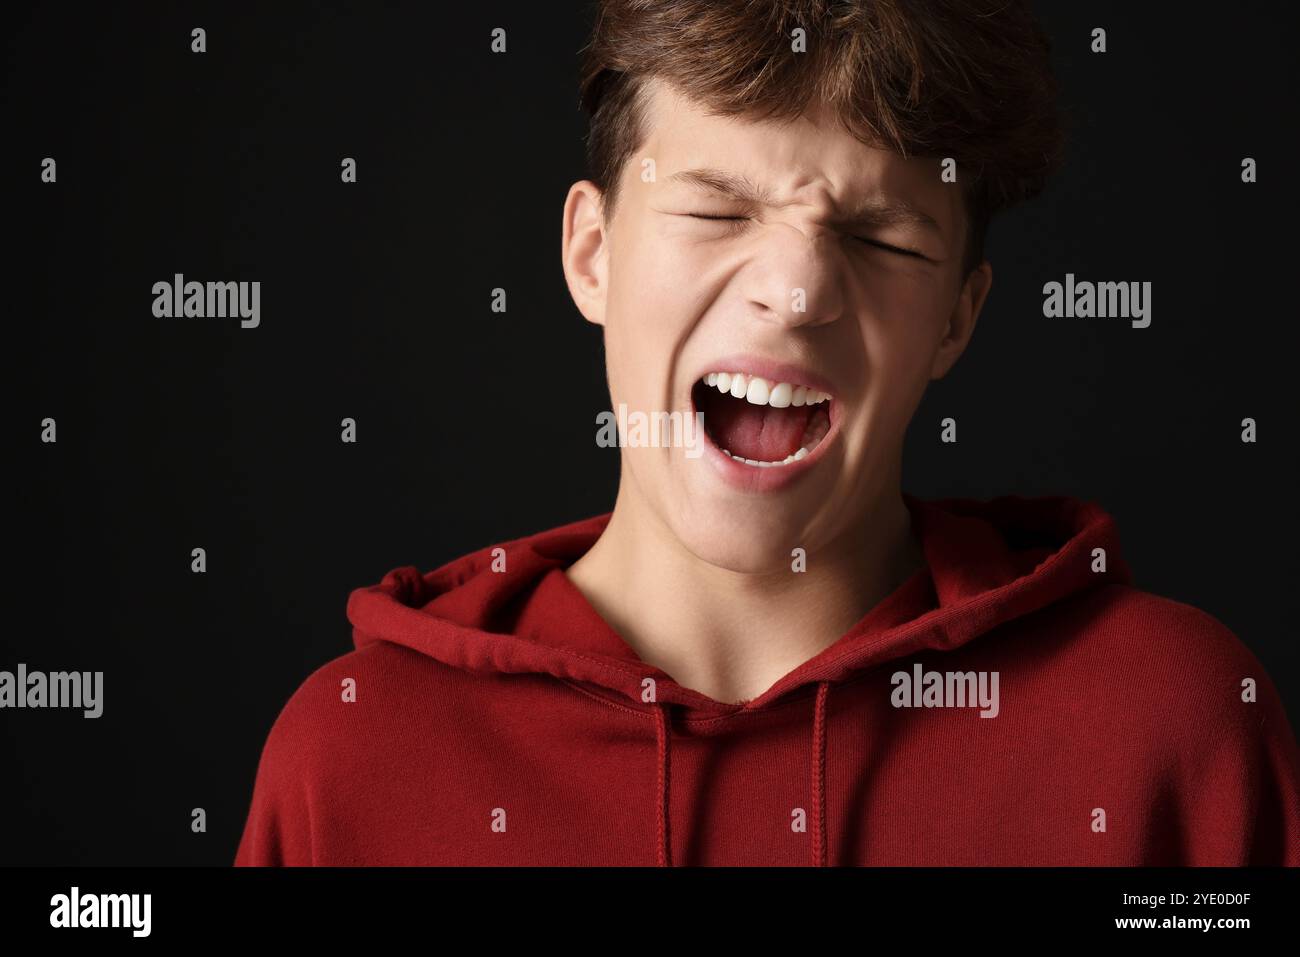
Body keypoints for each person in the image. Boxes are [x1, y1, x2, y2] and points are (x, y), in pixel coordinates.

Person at [235, 0, 1300, 866]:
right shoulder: (355, 752)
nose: (796, 292)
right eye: (715, 211)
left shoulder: (1170, 730)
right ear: (591, 254)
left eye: (882, 237)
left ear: (957, 320)